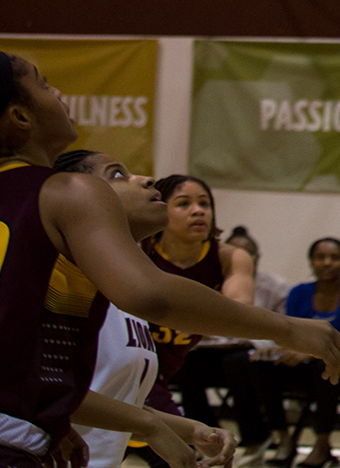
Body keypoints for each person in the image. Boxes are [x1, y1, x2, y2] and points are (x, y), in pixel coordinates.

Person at [0, 31, 340, 467]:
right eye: (43, 83)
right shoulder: (66, 192)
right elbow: (151, 295)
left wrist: (52, 417)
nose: (57, 92)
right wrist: (285, 328)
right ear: (19, 117)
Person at [53, 149, 236, 468]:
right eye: (118, 175)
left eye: (204, 203)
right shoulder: (60, 282)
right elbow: (39, 388)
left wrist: (191, 429)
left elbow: (115, 402)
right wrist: (147, 426)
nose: (147, 179)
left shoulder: (122, 290)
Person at [143, 175, 269, 457]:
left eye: (205, 203)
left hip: (162, 372)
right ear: (159, 209)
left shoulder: (229, 257)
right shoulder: (140, 252)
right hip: (126, 368)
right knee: (178, 453)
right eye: (184, 203)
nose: (198, 210)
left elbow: (238, 316)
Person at [254, 238, 340, 467]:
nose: (327, 263)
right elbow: (290, 334)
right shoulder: (299, 293)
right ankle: (283, 438)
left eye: (334, 258)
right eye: (320, 257)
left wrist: (310, 354)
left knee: (325, 369)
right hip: (311, 362)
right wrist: (274, 349)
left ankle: (322, 444)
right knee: (260, 365)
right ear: (311, 262)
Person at [224, 229, 289, 314]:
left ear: (257, 258)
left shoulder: (277, 286)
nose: (238, 259)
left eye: (246, 254)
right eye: (232, 255)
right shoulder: (210, 279)